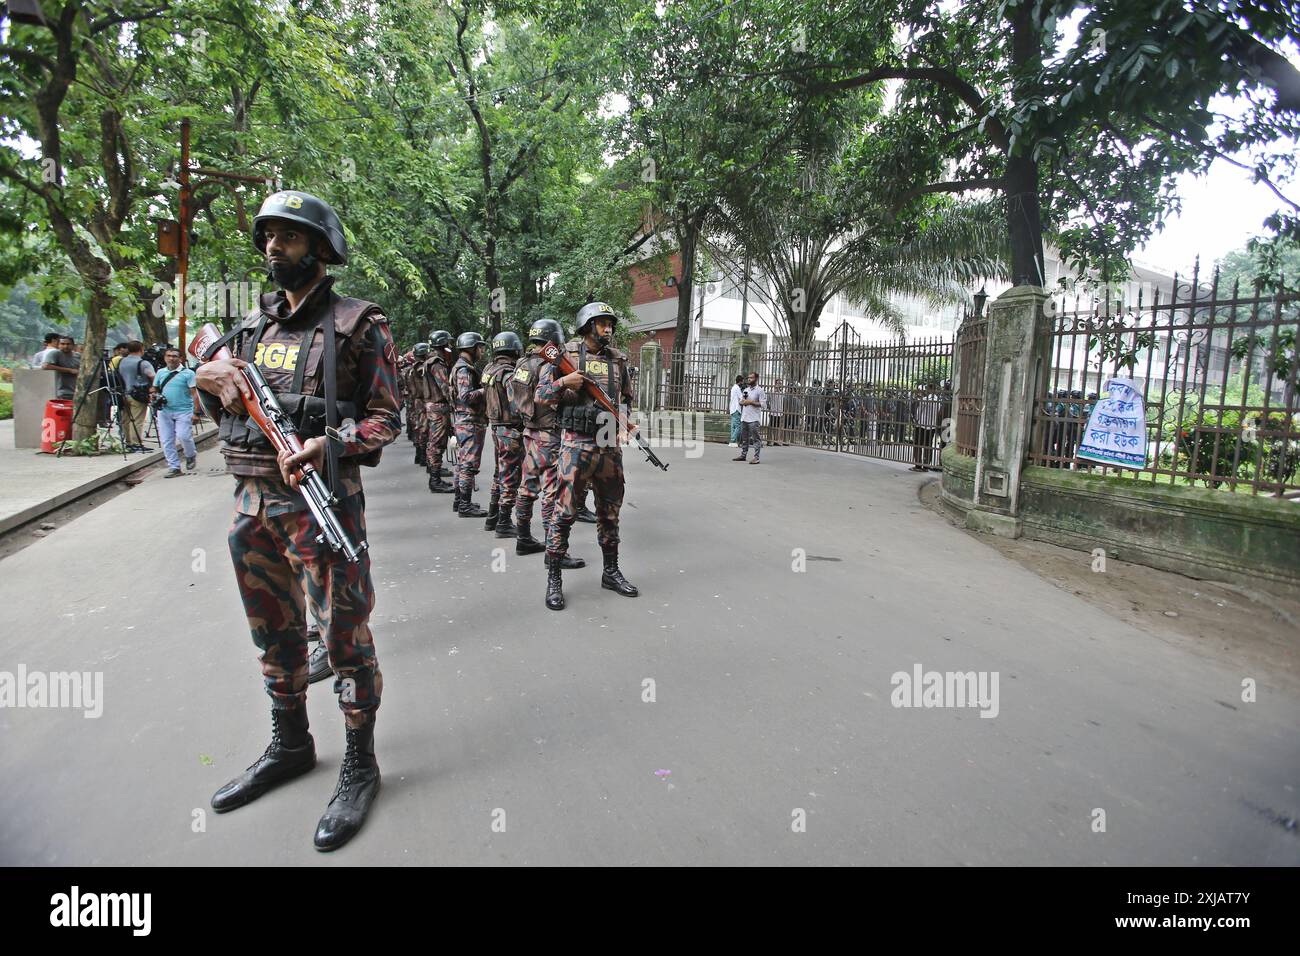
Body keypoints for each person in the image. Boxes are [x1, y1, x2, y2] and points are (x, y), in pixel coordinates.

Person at [195, 189, 399, 852]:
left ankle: (360, 763)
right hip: (251, 510)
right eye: (267, 236)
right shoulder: (248, 333)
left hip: (323, 509)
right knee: (275, 641)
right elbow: (216, 402)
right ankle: (290, 746)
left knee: (345, 643)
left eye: (287, 235)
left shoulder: (358, 324)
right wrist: (210, 377)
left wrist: (332, 442)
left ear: (320, 245)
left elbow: (385, 418)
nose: (272, 247)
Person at [538, 301, 638, 611]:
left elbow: (626, 401)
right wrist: (563, 382)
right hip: (576, 444)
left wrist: (624, 425)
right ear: (587, 325)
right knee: (565, 512)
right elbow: (540, 396)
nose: (608, 328)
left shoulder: (618, 360)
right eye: (602, 323)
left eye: (611, 323)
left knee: (609, 513)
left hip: (609, 445)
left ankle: (611, 572)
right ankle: (554, 580)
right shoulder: (564, 354)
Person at [508, 319, 586, 569]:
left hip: (529, 432)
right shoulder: (548, 364)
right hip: (549, 434)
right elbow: (547, 396)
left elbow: (515, 398)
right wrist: (568, 385)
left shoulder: (522, 363)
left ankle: (522, 538)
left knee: (527, 487)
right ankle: (555, 552)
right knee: (552, 493)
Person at [482, 331, 525, 536]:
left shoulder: (490, 369)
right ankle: (504, 522)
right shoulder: (509, 373)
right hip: (510, 430)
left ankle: (493, 516)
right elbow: (516, 404)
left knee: (499, 473)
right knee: (510, 477)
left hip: (496, 427)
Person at [451, 330, 489, 516]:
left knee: (463, 462)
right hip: (469, 421)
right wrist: (484, 391)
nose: (481, 351)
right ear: (472, 348)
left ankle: (460, 501)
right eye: (480, 347)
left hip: (465, 421)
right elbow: (466, 396)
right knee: (468, 465)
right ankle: (464, 505)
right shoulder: (464, 369)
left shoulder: (463, 366)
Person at [150, 347, 201, 476]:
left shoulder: (188, 373)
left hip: (184, 411)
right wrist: (154, 395)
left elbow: (194, 394)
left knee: (184, 436)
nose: (171, 358)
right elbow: (154, 388)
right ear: (165, 358)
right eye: (169, 356)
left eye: (174, 356)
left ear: (180, 358)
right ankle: (174, 467)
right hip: (164, 411)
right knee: (166, 440)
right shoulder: (160, 372)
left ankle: (190, 455)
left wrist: (196, 412)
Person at [423, 331, 455, 493]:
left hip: (434, 406)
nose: (450, 346)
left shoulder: (430, 360)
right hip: (438, 407)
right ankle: (435, 480)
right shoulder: (437, 363)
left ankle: (435, 476)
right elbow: (445, 387)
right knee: (437, 443)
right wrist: (457, 403)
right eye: (447, 343)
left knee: (435, 442)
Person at [117, 341, 155, 452]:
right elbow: (153, 376)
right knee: (138, 420)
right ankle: (136, 443)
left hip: (124, 393)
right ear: (141, 349)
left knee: (126, 420)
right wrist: (153, 389)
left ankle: (128, 442)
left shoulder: (121, 362)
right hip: (138, 395)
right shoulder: (143, 363)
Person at [733, 371, 767, 463]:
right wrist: (742, 402)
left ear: (756, 379)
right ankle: (743, 455)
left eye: (751, 378)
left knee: (756, 439)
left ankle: (756, 457)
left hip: (754, 419)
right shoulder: (746, 390)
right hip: (745, 417)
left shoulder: (760, 390)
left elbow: (763, 404)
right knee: (744, 439)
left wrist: (751, 402)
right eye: (748, 378)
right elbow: (741, 401)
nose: (749, 379)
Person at [911, 381, 941, 471]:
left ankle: (918, 465)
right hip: (931, 426)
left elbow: (918, 411)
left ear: (929, 389)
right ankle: (926, 465)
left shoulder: (925, 399)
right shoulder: (938, 401)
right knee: (928, 446)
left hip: (921, 425)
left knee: (918, 445)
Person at [409, 342, 430, 466]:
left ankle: (420, 455)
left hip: (418, 400)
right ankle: (423, 457)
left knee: (421, 428)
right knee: (424, 429)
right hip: (422, 401)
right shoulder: (420, 367)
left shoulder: (413, 368)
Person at [41, 335, 80, 400]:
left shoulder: (78, 355)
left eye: (68, 344)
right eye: (62, 344)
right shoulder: (55, 353)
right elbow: (45, 366)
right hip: (63, 392)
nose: (65, 346)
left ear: (73, 345)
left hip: (77, 391)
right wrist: (69, 370)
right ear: (58, 345)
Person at [728, 374, 744, 446]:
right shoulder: (737, 388)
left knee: (733, 426)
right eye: (742, 381)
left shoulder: (733, 387)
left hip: (732, 409)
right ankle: (733, 440)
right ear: (740, 381)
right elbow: (741, 397)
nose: (743, 383)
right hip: (736, 409)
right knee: (738, 426)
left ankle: (733, 442)